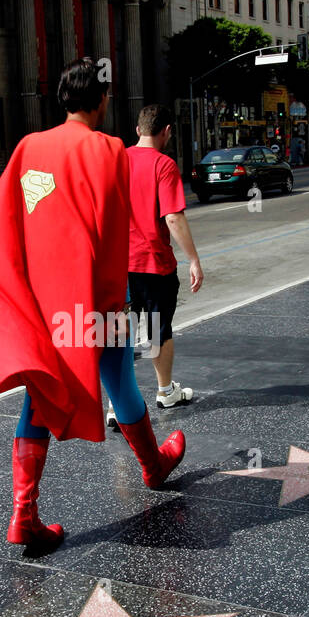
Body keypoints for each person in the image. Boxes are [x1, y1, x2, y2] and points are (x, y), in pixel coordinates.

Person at [0, 59, 185, 549]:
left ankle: (23, 513)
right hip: (96, 300)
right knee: (118, 375)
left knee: (41, 389)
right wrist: (114, 303)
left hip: (45, 303)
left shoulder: (29, 147)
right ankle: (152, 466)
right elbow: (113, 231)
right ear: (101, 100)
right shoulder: (110, 150)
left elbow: (4, 225)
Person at [122, 103, 204, 414]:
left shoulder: (118, 160)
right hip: (154, 265)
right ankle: (165, 391)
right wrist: (194, 259)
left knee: (121, 333)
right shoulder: (164, 165)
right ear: (167, 132)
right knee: (158, 331)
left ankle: (120, 402)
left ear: (138, 129)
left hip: (121, 267)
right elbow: (172, 217)